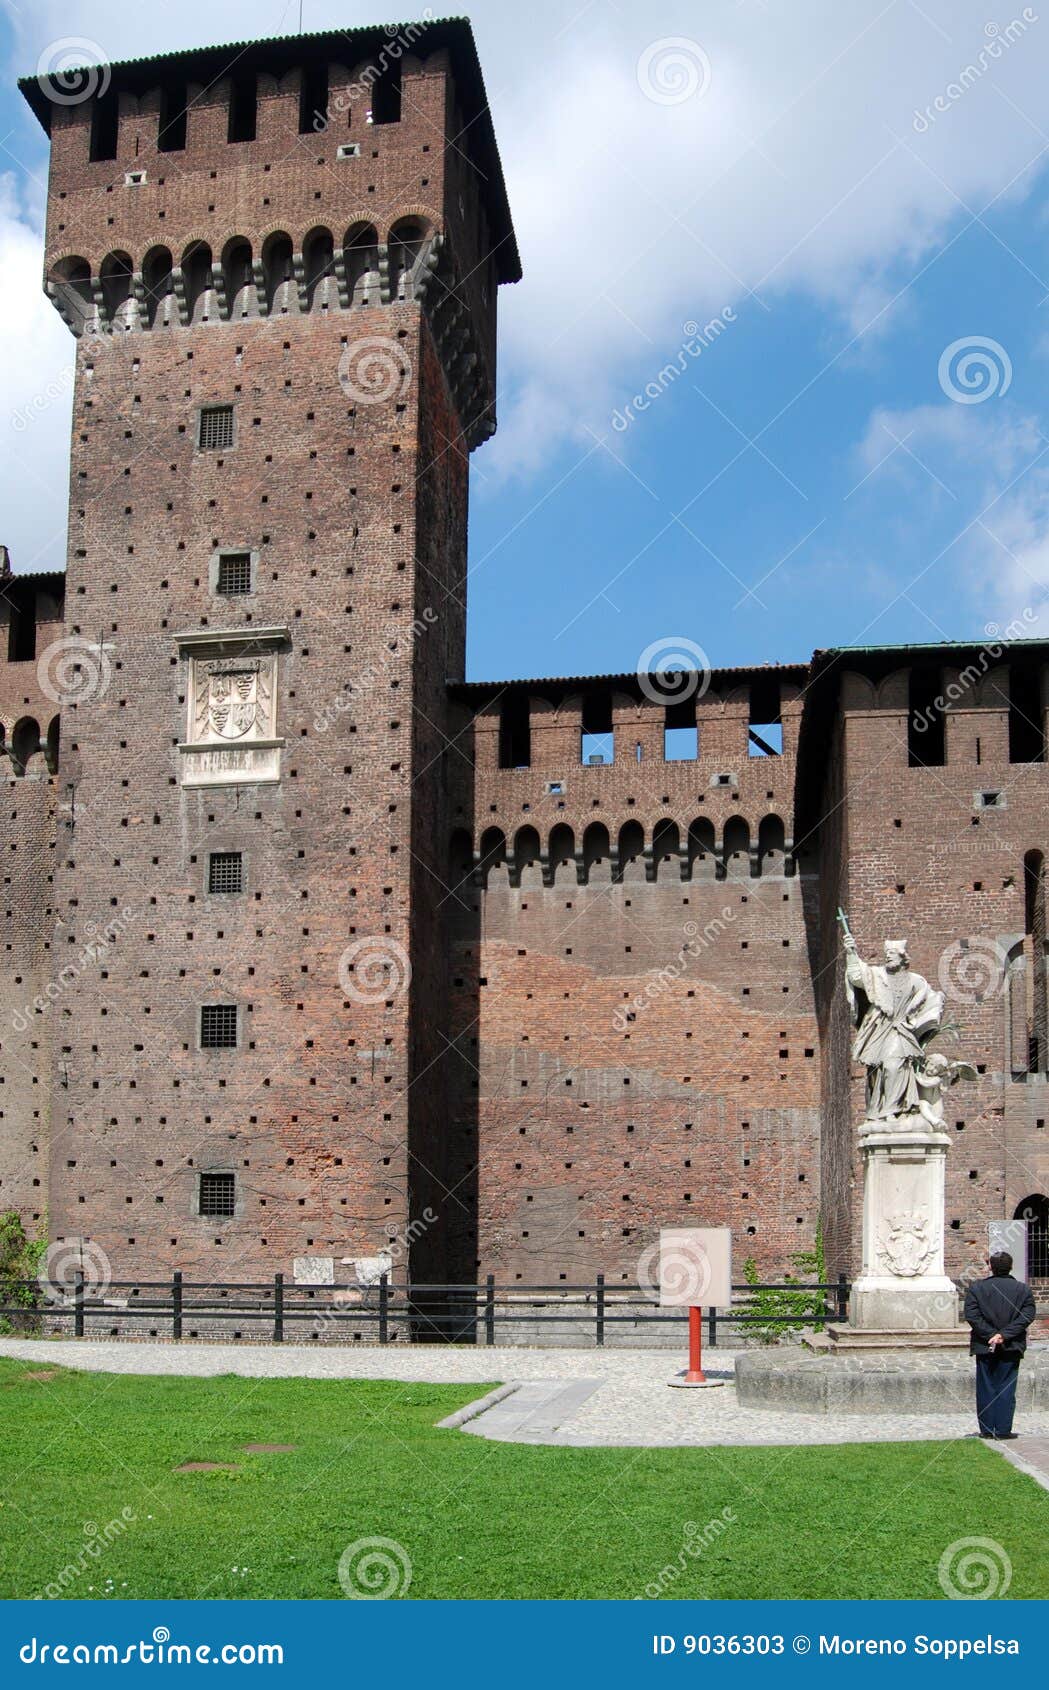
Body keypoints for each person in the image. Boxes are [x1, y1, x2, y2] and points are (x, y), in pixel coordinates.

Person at [842, 934, 944, 1121]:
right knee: (877, 1071)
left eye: (892, 953)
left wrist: (920, 1023)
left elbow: (931, 1001)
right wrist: (850, 952)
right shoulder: (878, 975)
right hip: (879, 1029)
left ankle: (892, 1110)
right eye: (886, 953)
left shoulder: (916, 981)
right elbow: (857, 977)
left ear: (903, 957)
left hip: (901, 1030)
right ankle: (880, 1109)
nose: (888, 956)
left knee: (893, 1065)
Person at [963, 1252, 1037, 1439]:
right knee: (1006, 1388)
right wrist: (1004, 1335)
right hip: (1011, 1344)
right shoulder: (1022, 1290)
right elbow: (1026, 1316)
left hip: (984, 1344)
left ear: (990, 1267)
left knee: (986, 1387)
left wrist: (992, 1335)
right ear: (1010, 1267)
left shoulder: (977, 1289)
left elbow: (973, 1316)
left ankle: (987, 1430)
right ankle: (1003, 1429)